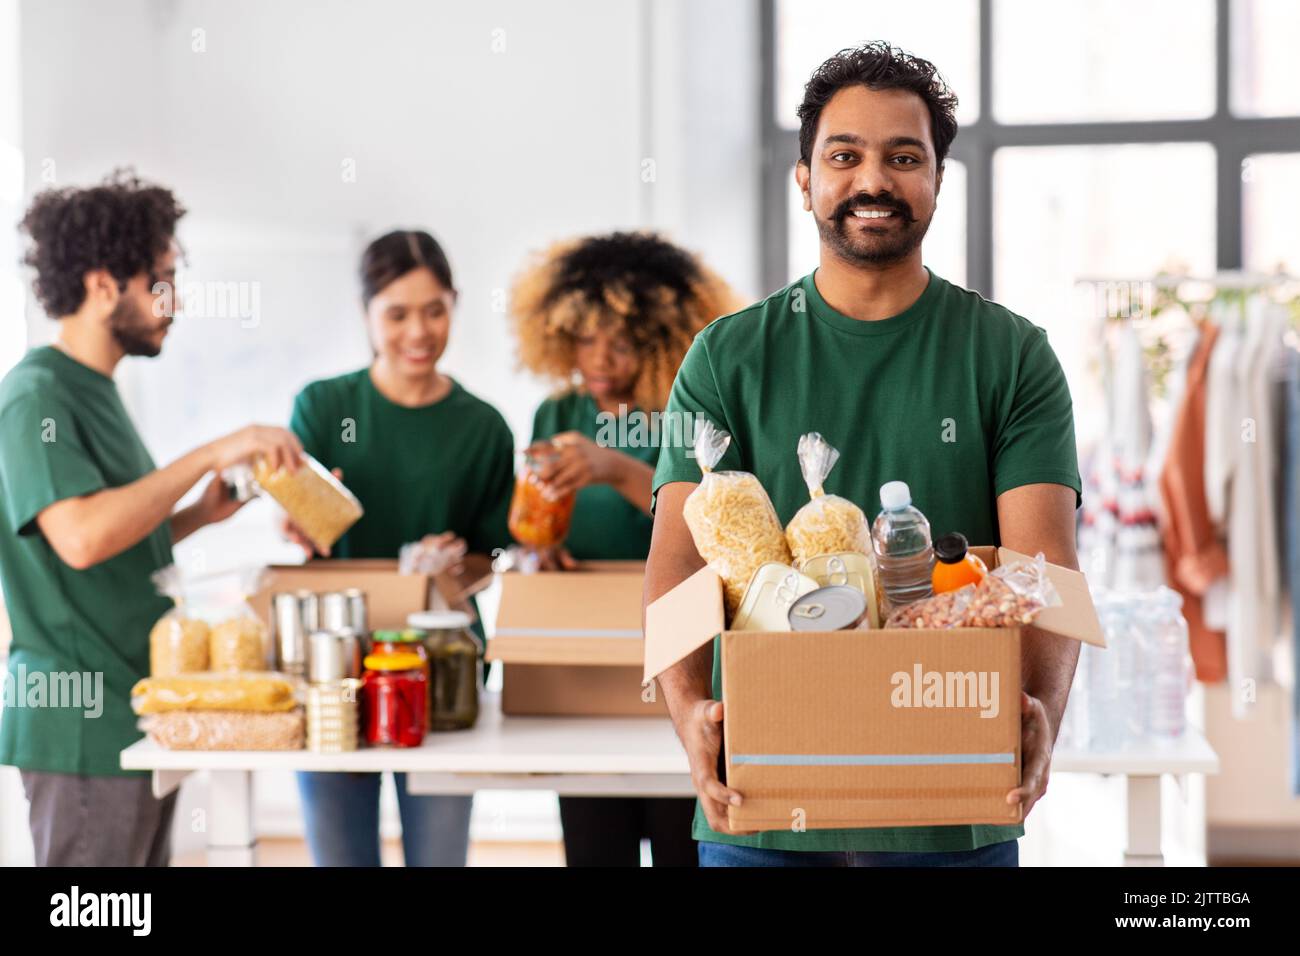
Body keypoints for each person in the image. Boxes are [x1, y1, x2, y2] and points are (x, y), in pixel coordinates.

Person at [645, 42, 1083, 867]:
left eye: (903, 157)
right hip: (766, 797)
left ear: (938, 180)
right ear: (805, 177)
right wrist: (688, 714)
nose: (872, 181)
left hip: (950, 799)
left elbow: (1045, 563)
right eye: (843, 155)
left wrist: (1040, 711)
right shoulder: (727, 356)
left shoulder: (1011, 355)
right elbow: (676, 567)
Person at [0, 170, 303, 866]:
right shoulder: (36, 397)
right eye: (160, 280)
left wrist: (200, 514)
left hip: (128, 710)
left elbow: (115, 534)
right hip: (80, 723)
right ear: (104, 283)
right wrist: (210, 452)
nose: (175, 301)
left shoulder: (96, 392)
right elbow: (78, 539)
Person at [509, 231, 743, 866]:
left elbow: (708, 527)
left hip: (677, 655)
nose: (600, 357)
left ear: (659, 338)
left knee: (677, 836)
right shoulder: (554, 412)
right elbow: (535, 526)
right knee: (592, 840)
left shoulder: (687, 412)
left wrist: (613, 467)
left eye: (622, 340)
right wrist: (537, 552)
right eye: (585, 338)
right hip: (584, 661)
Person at [287, 229, 514, 867]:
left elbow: (493, 559)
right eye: (397, 313)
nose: (419, 331)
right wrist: (297, 526)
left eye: (435, 310)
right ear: (367, 315)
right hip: (335, 667)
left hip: (439, 669)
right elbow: (302, 526)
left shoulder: (482, 426)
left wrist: (456, 566)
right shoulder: (325, 407)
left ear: (455, 305)